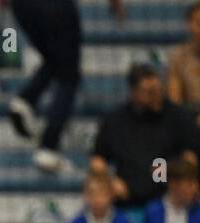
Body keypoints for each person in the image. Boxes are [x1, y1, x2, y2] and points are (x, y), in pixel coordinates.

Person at [7, 0, 124, 173]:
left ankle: (25, 100)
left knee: (55, 60)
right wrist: (115, 4)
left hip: (21, 7)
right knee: (69, 77)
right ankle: (48, 147)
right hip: (56, 7)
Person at [91, 63, 200, 213]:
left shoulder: (177, 117)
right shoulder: (115, 121)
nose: (156, 95)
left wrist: (172, 174)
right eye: (149, 92)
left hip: (167, 202)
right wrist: (110, 182)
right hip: (126, 201)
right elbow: (98, 161)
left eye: (158, 89)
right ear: (133, 92)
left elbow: (190, 158)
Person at [167, 1, 200, 128]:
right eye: (198, 23)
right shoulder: (178, 57)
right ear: (189, 25)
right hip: (188, 119)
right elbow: (174, 99)